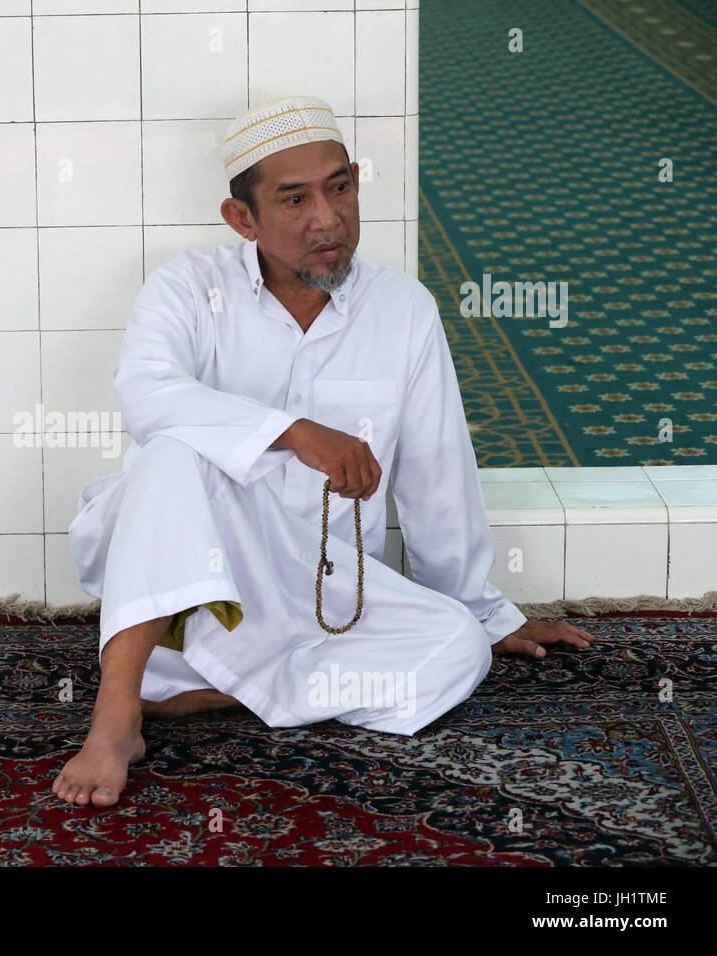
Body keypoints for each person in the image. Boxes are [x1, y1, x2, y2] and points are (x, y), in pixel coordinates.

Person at [54, 95, 594, 809]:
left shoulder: (404, 308)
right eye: (295, 199)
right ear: (241, 219)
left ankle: (213, 691)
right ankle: (119, 714)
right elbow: (149, 397)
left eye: (340, 187)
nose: (328, 218)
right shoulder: (188, 288)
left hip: (319, 580)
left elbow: (436, 471)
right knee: (172, 455)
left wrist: (483, 612)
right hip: (195, 574)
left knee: (457, 649)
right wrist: (296, 431)